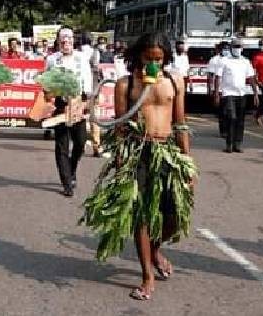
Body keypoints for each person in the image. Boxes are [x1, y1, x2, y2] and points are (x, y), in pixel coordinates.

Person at [82, 31, 194, 301]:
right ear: (138, 56)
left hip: (167, 153)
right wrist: (122, 165)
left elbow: (180, 123)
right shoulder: (126, 84)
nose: (152, 64)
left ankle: (156, 250)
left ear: (165, 58)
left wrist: (187, 162)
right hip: (138, 154)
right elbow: (121, 128)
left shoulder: (174, 81)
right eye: (147, 59)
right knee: (141, 217)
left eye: (158, 59)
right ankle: (147, 276)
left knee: (175, 217)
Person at [44, 26, 98, 196]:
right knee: (61, 146)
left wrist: (87, 102)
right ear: (58, 41)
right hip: (61, 104)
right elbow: (46, 82)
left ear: (73, 40)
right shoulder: (52, 60)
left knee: (80, 142)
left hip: (78, 104)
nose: (66, 41)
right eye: (62, 38)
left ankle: (72, 168)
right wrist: (48, 92)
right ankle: (67, 183)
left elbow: (88, 81)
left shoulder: (81, 58)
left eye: (69, 38)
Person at [214, 38, 258, 153]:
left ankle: (237, 144)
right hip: (228, 94)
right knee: (231, 117)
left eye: (239, 47)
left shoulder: (245, 61)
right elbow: (218, 77)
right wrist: (216, 94)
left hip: (241, 94)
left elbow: (251, 78)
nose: (237, 49)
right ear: (231, 48)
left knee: (240, 120)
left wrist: (255, 93)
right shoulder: (224, 60)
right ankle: (229, 144)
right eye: (235, 47)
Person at [207, 42, 228, 138]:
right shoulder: (214, 60)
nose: (226, 50)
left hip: (229, 89)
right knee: (222, 111)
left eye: (228, 48)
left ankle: (229, 129)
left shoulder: (231, 59)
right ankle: (223, 130)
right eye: (224, 48)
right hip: (219, 89)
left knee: (229, 111)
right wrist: (211, 88)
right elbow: (211, 75)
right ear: (219, 50)